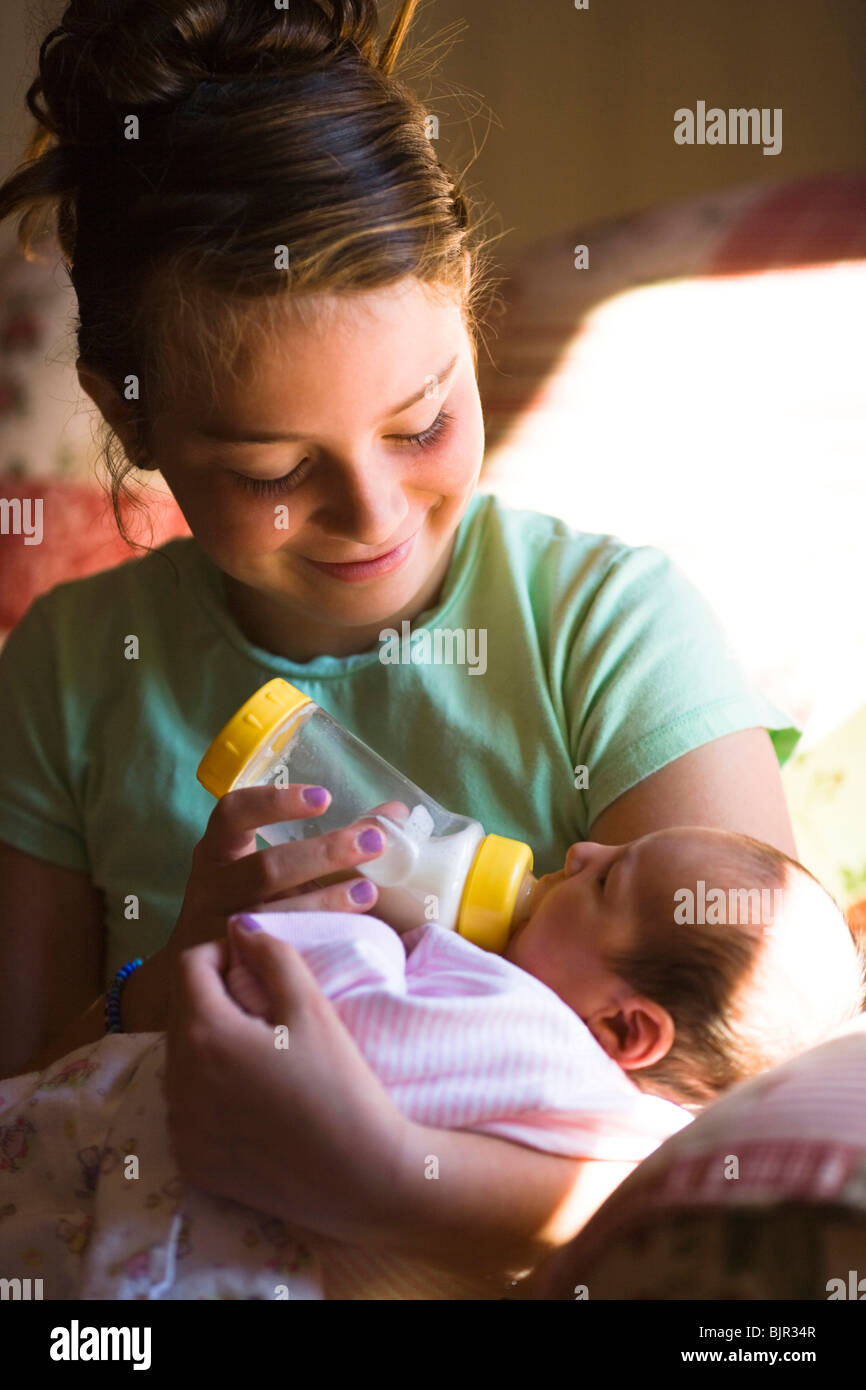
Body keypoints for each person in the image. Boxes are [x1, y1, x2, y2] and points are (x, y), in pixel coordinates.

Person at [0, 0, 803, 1285]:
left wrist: (370, 1174)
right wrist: (171, 978)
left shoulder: (604, 632)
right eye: (270, 464)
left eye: (421, 419)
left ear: (467, 318)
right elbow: (23, 1102)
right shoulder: (70, 669)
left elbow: (748, 1135)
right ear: (127, 414)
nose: (372, 514)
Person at [0, 824, 859, 1299]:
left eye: (606, 886)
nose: (584, 853)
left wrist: (354, 931)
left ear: (624, 1031)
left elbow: (358, 1039)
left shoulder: (534, 1034)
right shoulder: (630, 1121)